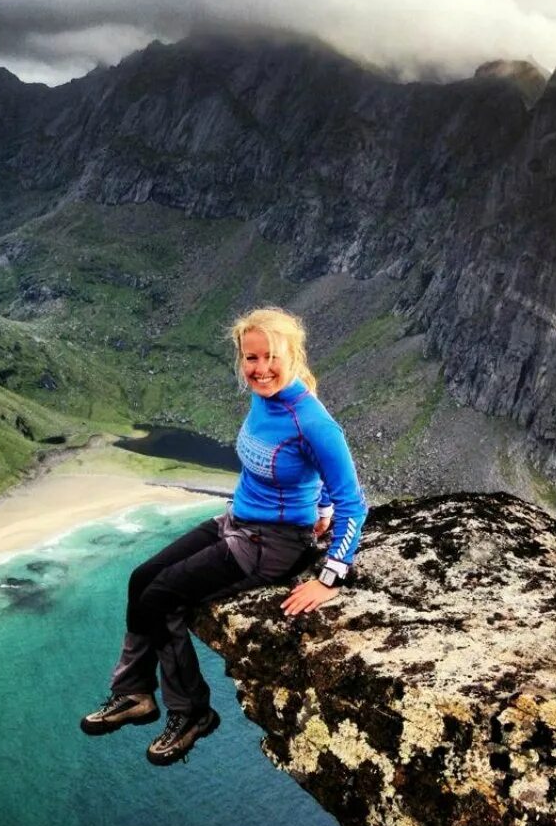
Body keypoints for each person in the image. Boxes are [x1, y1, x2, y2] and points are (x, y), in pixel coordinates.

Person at [80, 306, 368, 766]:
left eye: (270, 356)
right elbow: (310, 480)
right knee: (141, 578)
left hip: (271, 544)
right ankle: (133, 693)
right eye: (250, 358)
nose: (260, 369)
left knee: (162, 599)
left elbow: (354, 501)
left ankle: (191, 712)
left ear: (293, 355)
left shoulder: (312, 422)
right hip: (236, 519)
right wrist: (322, 506)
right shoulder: (264, 398)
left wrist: (329, 577)